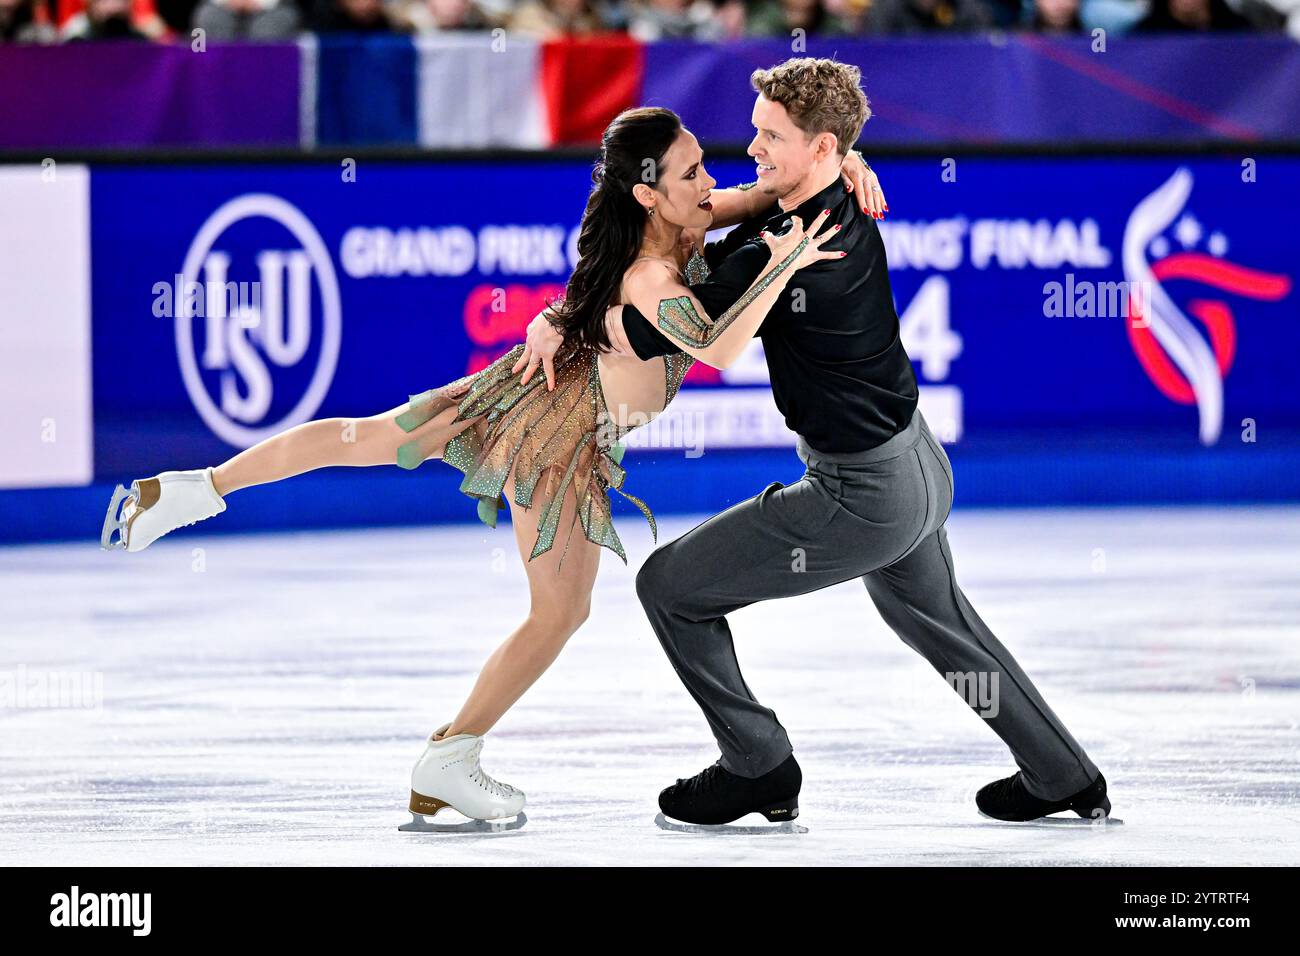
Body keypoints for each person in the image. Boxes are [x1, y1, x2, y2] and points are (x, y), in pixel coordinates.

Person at [102, 107, 878, 831]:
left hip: (524, 388)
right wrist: (787, 262)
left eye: (705, 166)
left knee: (362, 436)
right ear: (648, 193)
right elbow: (717, 346)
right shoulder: (650, 278)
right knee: (557, 613)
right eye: (693, 172)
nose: (712, 182)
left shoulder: (684, 216)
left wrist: (843, 163)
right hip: (558, 435)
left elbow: (770, 190)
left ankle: (191, 491)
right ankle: (450, 756)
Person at [523, 57, 1111, 829]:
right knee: (938, 623)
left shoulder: (795, 249)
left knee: (669, 588)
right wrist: (849, 161)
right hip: (918, 467)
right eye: (757, 129)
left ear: (823, 146)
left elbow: (671, 328)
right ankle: (1062, 772)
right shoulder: (831, 201)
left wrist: (565, 319)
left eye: (772, 136)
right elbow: (753, 206)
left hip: (861, 495)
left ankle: (757, 764)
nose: (754, 147)